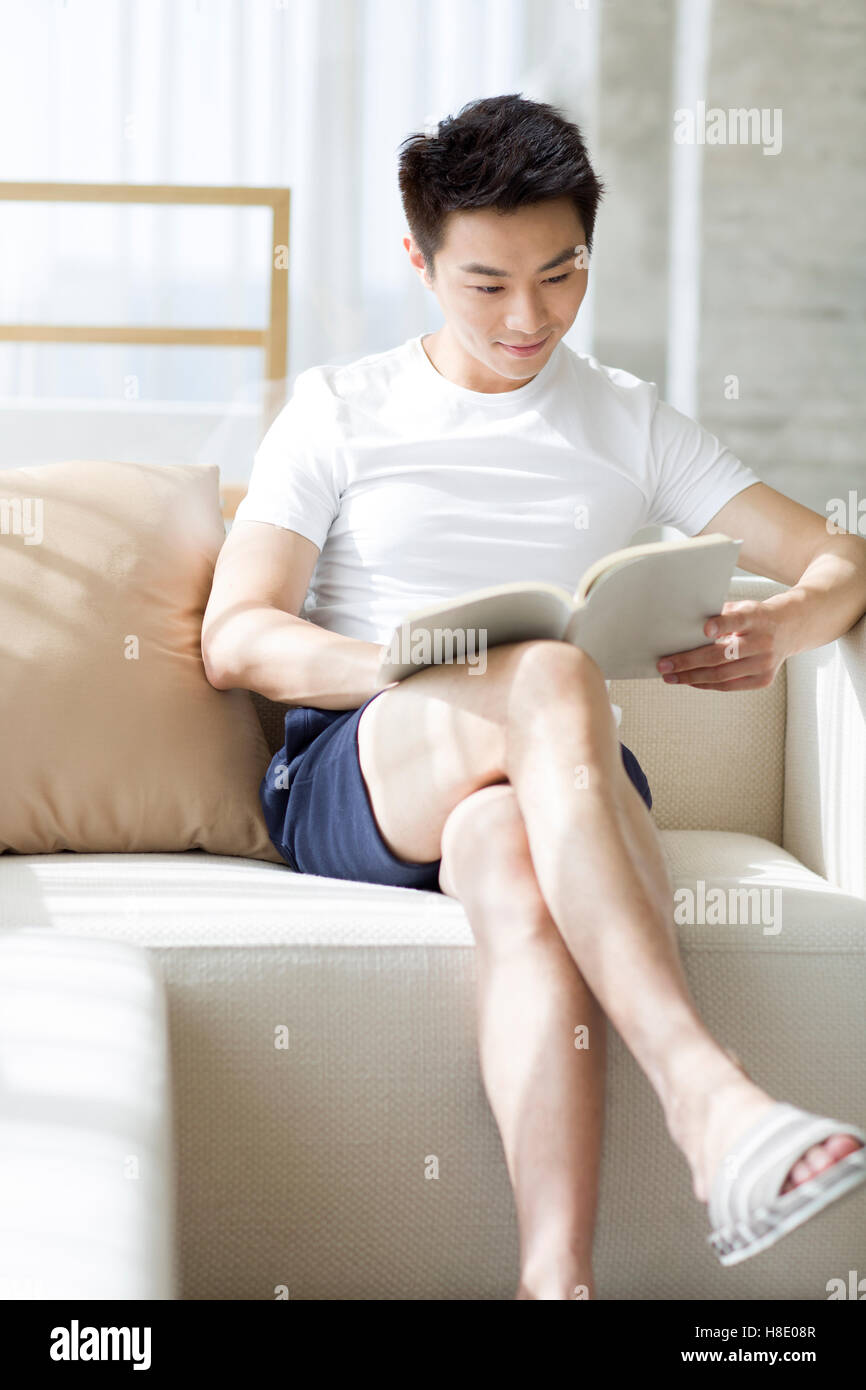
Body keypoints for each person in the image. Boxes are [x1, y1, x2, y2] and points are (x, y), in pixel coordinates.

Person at [202, 94, 866, 1299]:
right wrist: (428, 663)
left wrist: (784, 623)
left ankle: (553, 1284)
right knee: (550, 670)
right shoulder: (340, 410)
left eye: (560, 276)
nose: (528, 318)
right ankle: (708, 1101)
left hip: (549, 781)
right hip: (366, 762)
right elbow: (235, 637)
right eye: (485, 284)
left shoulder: (622, 416)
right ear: (417, 260)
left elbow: (842, 558)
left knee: (511, 851)